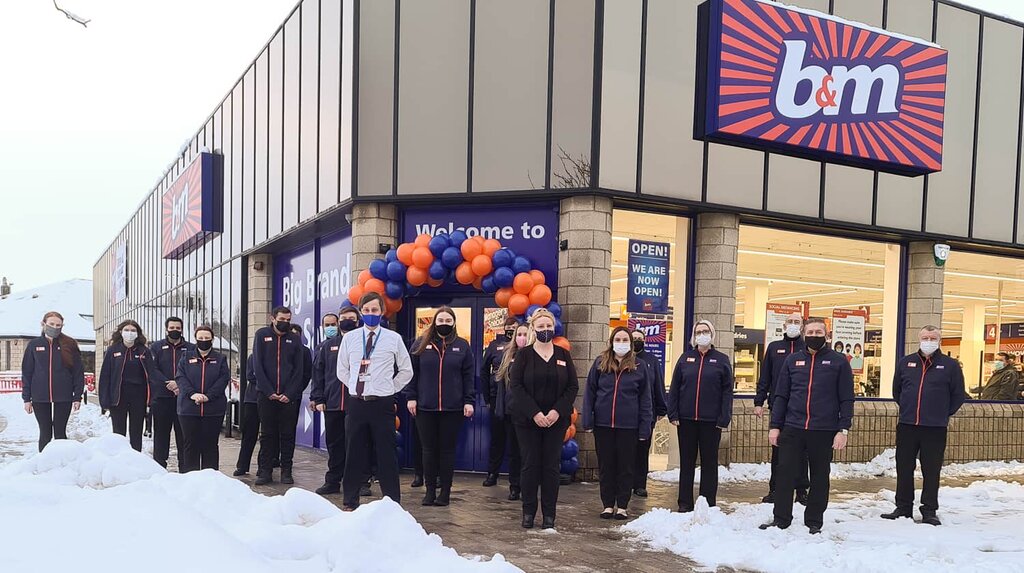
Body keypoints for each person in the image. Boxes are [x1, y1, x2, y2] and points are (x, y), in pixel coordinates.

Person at [760, 317, 854, 534]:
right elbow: (781, 395)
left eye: (818, 332)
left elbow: (846, 399)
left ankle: (814, 520)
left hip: (824, 430)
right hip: (793, 427)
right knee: (785, 474)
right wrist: (775, 426)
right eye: (810, 332)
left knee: (820, 476)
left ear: (827, 335)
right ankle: (781, 519)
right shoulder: (792, 361)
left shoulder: (839, 362)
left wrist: (843, 429)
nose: (814, 336)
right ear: (804, 334)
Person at [882, 325, 966, 526]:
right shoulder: (906, 362)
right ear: (919, 339)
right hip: (908, 425)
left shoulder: (950, 365)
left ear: (939, 341)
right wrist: (908, 409)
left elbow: (958, 395)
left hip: (935, 427)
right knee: (904, 467)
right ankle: (903, 508)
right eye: (925, 337)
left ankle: (929, 510)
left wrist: (941, 414)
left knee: (931, 470)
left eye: (933, 337)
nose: (928, 341)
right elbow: (897, 391)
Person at [337, 292, 413, 511]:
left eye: (375, 310)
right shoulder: (350, 339)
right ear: (361, 312)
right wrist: (355, 385)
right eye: (367, 310)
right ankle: (350, 500)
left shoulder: (393, 338)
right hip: (357, 403)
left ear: (382, 312)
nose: (371, 314)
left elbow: (406, 371)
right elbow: (342, 369)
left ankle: (392, 503)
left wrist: (390, 388)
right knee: (353, 452)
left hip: (383, 404)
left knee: (386, 454)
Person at [509, 309, 578, 530]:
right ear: (533, 329)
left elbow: (572, 386)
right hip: (528, 421)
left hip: (556, 422)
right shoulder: (524, 355)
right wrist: (535, 413)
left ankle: (549, 515)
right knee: (530, 465)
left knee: (551, 467)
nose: (545, 330)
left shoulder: (563, 355)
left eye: (549, 326)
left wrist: (557, 411)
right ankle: (528, 512)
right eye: (541, 327)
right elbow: (516, 386)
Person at [406, 307, 475, 506]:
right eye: (440, 319)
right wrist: (411, 397)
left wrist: (469, 401)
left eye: (448, 320)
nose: (444, 323)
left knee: (447, 451)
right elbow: (412, 373)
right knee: (428, 450)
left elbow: (468, 376)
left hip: (452, 408)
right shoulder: (420, 344)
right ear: (434, 321)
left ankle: (445, 492)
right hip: (425, 407)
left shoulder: (462, 346)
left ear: (453, 323)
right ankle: (429, 491)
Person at [583, 327, 653, 520]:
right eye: (618, 339)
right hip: (603, 425)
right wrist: (588, 420)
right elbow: (589, 393)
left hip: (629, 426)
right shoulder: (600, 364)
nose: (621, 343)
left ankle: (622, 505)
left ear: (630, 344)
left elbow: (646, 399)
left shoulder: (639, 367)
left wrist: (645, 426)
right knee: (606, 466)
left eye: (625, 340)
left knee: (626, 466)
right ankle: (607, 504)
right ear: (612, 341)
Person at [667, 320, 733, 513]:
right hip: (686, 420)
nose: (702, 334)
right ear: (694, 336)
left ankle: (708, 502)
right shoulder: (685, 358)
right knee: (686, 463)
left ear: (712, 335)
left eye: (705, 331)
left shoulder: (721, 360)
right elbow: (675, 388)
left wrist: (724, 417)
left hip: (711, 422)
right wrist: (673, 413)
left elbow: (727, 391)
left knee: (709, 463)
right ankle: (684, 503)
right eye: (698, 332)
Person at [753, 312, 809, 504]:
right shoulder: (774, 348)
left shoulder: (807, 348)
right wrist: (759, 402)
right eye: (790, 322)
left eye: (797, 322)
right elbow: (765, 377)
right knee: (778, 450)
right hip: (779, 407)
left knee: (802, 452)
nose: (793, 325)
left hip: (803, 408)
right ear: (784, 326)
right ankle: (775, 489)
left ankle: (801, 490)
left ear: (802, 326)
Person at [251, 306, 306, 485]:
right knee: (267, 434)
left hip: (288, 397)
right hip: (266, 395)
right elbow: (257, 366)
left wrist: (289, 393)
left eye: (288, 320)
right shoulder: (261, 335)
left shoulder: (294, 340)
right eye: (282, 319)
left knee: (288, 434)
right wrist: (269, 392)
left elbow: (299, 369)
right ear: (272, 318)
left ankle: (286, 471)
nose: (285, 323)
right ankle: (265, 471)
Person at [21, 311, 84, 452]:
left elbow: (78, 373)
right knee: (45, 433)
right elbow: (27, 372)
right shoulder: (34, 345)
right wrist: (26, 398)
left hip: (64, 396)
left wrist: (77, 396)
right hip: (39, 397)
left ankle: (62, 463)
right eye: (51, 324)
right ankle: (44, 464)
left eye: (58, 325)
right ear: (43, 324)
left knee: (60, 433)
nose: (55, 327)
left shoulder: (69, 345)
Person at [175, 325, 230, 472]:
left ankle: (210, 478)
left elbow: (223, 379)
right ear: (196, 339)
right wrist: (192, 394)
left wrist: (208, 396)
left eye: (207, 338)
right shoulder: (186, 357)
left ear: (212, 339)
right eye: (200, 338)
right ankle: (190, 477)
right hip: (188, 409)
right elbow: (180, 378)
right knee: (190, 445)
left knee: (210, 445)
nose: (203, 341)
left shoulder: (220, 359)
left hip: (213, 410)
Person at [99, 320, 156, 451]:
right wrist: (104, 400)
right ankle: (119, 459)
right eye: (127, 330)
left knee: (136, 431)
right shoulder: (113, 350)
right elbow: (105, 375)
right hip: (118, 396)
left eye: (133, 331)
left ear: (138, 333)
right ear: (121, 332)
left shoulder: (143, 351)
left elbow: (151, 375)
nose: (129, 333)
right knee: (118, 432)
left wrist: (152, 398)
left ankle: (135, 458)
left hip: (138, 396)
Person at [310, 311, 349, 495]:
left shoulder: (360, 343)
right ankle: (333, 481)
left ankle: (360, 481)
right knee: (334, 444)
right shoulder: (325, 347)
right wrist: (318, 399)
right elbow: (318, 374)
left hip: (355, 404)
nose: (332, 327)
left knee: (357, 444)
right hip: (332, 404)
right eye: (329, 324)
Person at [148, 316, 193, 470]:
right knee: (161, 436)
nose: (175, 331)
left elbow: (193, 371)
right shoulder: (156, 347)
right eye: (172, 328)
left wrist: (179, 384)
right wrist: (169, 383)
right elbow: (152, 369)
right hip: (162, 398)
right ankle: (159, 469)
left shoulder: (191, 348)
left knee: (184, 437)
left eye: (178, 328)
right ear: (166, 329)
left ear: (182, 329)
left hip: (184, 399)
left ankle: (185, 470)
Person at [492, 322, 530, 501]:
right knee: (514, 452)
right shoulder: (508, 356)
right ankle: (515, 486)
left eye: (525, 334)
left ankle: (528, 485)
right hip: (511, 411)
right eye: (519, 334)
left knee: (527, 452)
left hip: (530, 413)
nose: (521, 337)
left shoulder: (535, 356)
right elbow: (500, 384)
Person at [482, 316, 521, 488]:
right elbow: (484, 371)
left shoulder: (523, 347)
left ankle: (516, 480)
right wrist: (486, 398)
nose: (511, 329)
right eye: (508, 326)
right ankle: (492, 473)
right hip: (495, 398)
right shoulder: (493, 346)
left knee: (516, 442)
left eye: (514, 326)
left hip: (516, 401)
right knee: (497, 439)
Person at [630, 329, 668, 498]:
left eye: (640, 338)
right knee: (626, 450)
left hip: (647, 413)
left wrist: (661, 408)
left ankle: (640, 484)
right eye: (634, 338)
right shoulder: (624, 359)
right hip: (627, 414)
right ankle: (625, 483)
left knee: (642, 450)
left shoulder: (652, 360)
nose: (637, 341)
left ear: (644, 340)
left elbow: (658, 384)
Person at [233, 354, 260, 476]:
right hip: (252, 399)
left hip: (271, 401)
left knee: (269, 436)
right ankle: (242, 465)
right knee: (249, 435)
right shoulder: (253, 357)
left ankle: (264, 467)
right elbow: (250, 375)